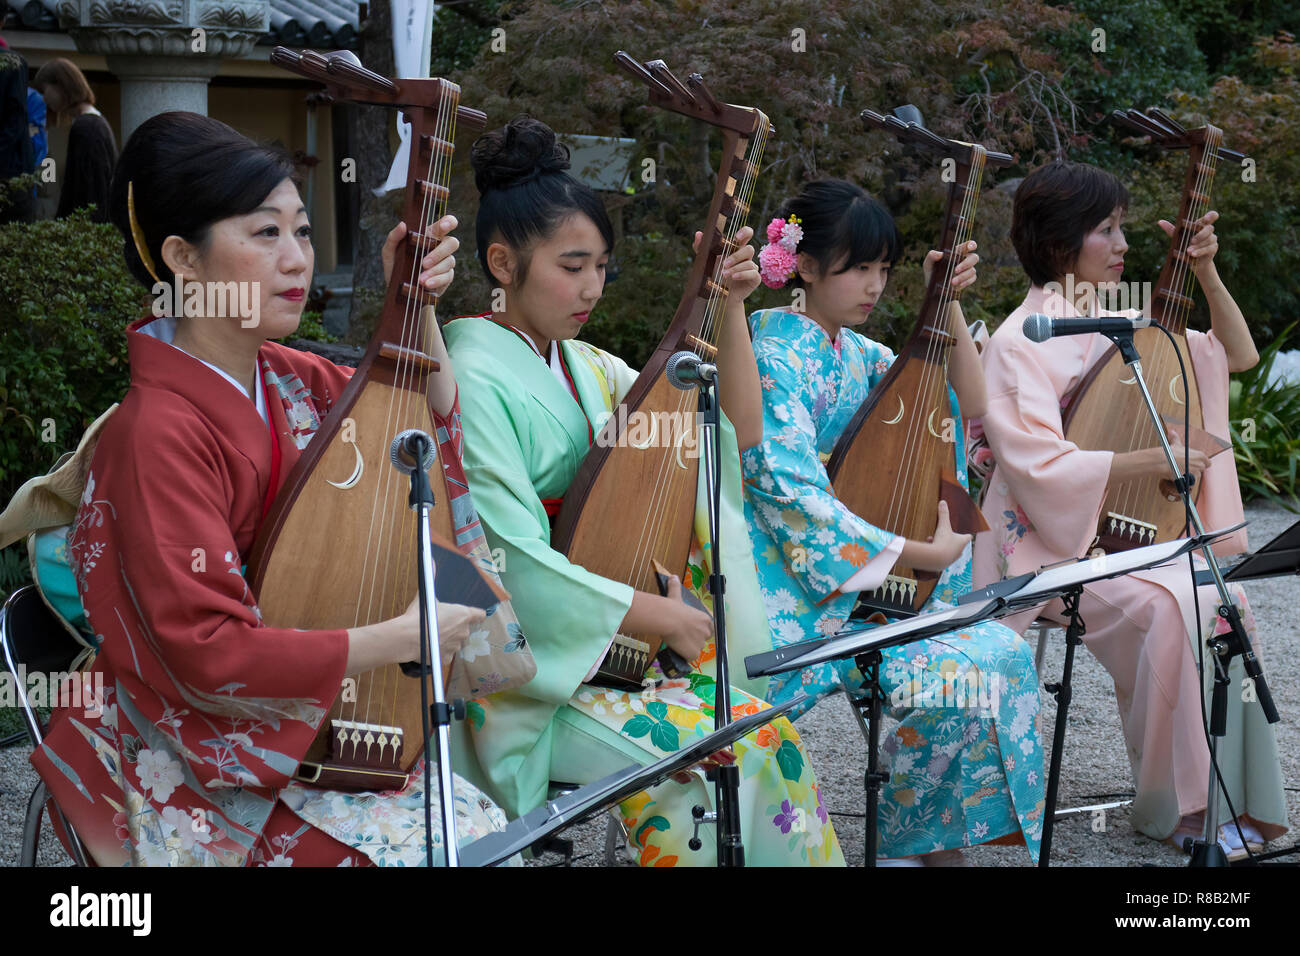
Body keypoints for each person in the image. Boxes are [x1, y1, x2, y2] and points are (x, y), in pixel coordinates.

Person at [29, 111, 512, 867]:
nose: (297, 260)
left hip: (304, 725)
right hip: (193, 756)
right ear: (183, 257)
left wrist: (415, 307)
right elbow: (210, 655)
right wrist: (399, 638)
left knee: (482, 839)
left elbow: (426, 425)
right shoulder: (154, 431)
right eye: (265, 234)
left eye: (302, 232)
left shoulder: (291, 376)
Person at [442, 116, 845, 866]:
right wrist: (655, 611)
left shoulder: (589, 367)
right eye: (572, 266)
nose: (591, 286)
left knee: (762, 732)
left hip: (612, 652)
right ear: (503, 262)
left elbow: (734, 430)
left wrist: (726, 304)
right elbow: (507, 558)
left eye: (602, 266)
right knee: (716, 758)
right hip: (527, 685)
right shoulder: (469, 372)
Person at [971, 160, 1288, 857]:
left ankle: (1240, 802)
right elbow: (1037, 468)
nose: (1122, 245)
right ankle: (1182, 808)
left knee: (1222, 600)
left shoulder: (1129, 327)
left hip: (1129, 544)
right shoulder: (1016, 341)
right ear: (1058, 241)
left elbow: (1234, 356)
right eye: (1105, 230)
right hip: (1049, 551)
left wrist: (1205, 271)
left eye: (1122, 230)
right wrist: (1155, 462)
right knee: (1176, 606)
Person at [740, 179, 1046, 865]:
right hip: (791, 596)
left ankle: (919, 839)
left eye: (884, 269)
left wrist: (949, 301)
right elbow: (788, 491)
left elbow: (963, 400)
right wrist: (919, 548)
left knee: (994, 654)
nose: (875, 285)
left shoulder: (858, 353)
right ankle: (929, 846)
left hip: (862, 586)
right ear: (807, 266)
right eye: (859, 268)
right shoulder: (773, 356)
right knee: (960, 669)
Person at [32, 57, 115, 222]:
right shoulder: (94, 123)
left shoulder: (87, 127)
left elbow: (88, 192)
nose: (44, 99)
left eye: (45, 90)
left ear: (60, 86)